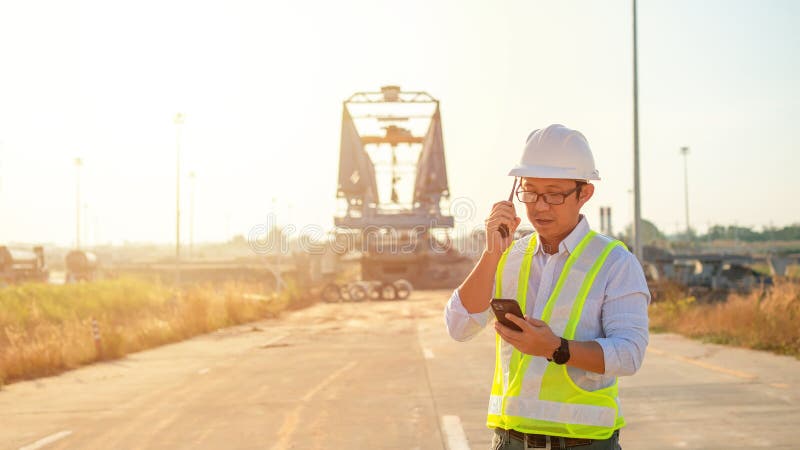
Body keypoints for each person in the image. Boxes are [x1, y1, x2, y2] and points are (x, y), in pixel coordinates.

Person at [444, 124, 649, 450]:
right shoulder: (506, 256)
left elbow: (629, 354)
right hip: (508, 441)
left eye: (554, 194)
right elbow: (459, 326)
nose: (539, 206)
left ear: (585, 193)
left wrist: (555, 348)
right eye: (530, 192)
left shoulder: (615, 263)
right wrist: (491, 253)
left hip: (584, 444)